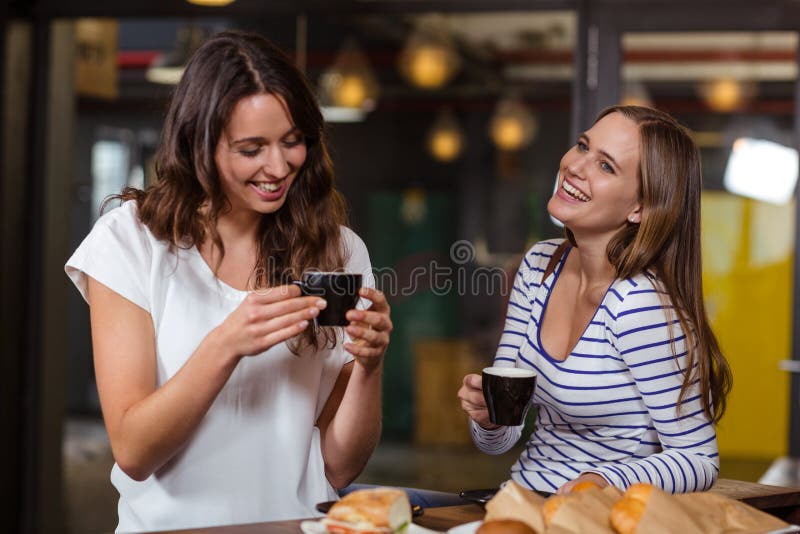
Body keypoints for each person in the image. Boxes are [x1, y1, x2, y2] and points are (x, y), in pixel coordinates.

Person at [65, 30, 392, 532]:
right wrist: (226, 343)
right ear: (200, 143)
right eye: (251, 148)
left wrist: (369, 366)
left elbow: (338, 466)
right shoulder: (130, 241)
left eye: (292, 141)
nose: (278, 166)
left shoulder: (340, 251)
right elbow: (134, 451)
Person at [458, 105, 732, 496]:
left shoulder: (639, 304)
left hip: (597, 516)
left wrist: (603, 482)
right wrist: (489, 419)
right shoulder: (538, 267)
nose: (575, 166)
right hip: (518, 501)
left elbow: (698, 459)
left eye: (606, 166)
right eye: (583, 146)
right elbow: (498, 441)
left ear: (640, 208)